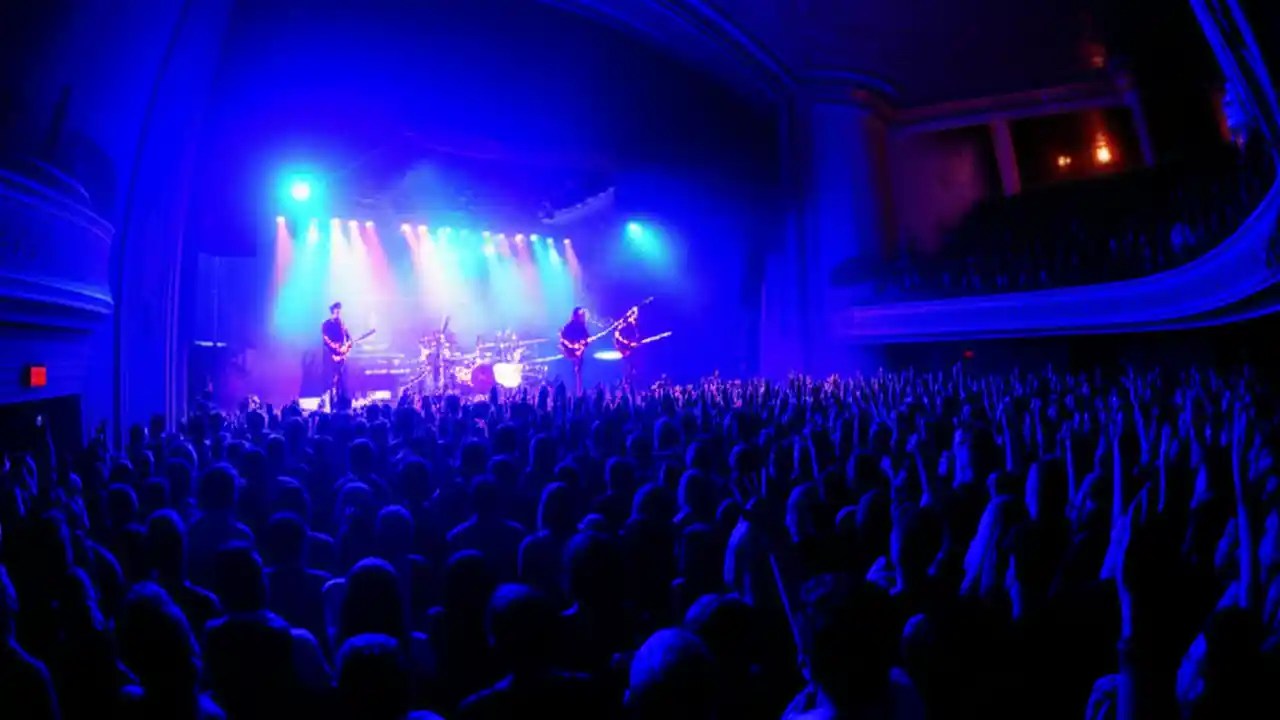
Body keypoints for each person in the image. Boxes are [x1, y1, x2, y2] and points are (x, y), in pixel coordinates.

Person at [322, 301, 352, 409]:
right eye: (337, 309)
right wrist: (337, 349)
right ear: (332, 311)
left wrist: (347, 347)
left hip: (342, 358)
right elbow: (326, 341)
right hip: (330, 358)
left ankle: (342, 404)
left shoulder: (343, 324)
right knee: (331, 381)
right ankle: (331, 405)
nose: (339, 311)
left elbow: (349, 339)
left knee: (342, 380)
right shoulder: (326, 324)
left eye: (340, 309)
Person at [558, 307, 591, 395]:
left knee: (579, 374)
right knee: (571, 375)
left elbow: (587, 339)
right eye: (580, 315)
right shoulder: (569, 327)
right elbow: (563, 340)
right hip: (569, 356)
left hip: (579, 355)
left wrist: (583, 345)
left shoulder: (583, 327)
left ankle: (579, 393)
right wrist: (572, 346)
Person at [613, 306, 641, 384]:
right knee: (627, 366)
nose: (636, 315)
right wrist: (627, 343)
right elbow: (617, 335)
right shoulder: (625, 325)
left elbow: (637, 337)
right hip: (624, 349)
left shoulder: (635, 325)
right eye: (634, 313)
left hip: (632, 351)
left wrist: (636, 343)